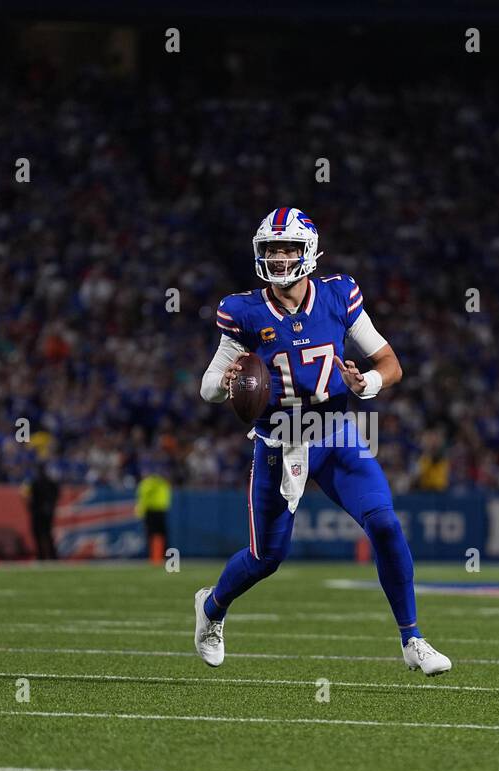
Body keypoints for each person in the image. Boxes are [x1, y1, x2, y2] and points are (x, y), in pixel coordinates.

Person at [193, 207, 451, 676]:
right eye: (272, 249)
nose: (278, 257)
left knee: (385, 524)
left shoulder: (337, 295)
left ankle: (412, 639)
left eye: (287, 248)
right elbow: (208, 387)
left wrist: (367, 383)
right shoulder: (244, 311)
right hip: (279, 443)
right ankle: (211, 608)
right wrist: (226, 381)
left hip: (335, 434)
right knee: (266, 558)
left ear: (307, 251)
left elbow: (390, 362)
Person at [135, 464, 172, 565]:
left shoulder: (148, 483)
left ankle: (157, 557)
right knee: (157, 534)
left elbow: (142, 499)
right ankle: (157, 557)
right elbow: (143, 499)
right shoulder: (159, 483)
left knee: (156, 534)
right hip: (154, 511)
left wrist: (140, 511)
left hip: (155, 511)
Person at [26, 463, 60, 560]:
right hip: (47, 512)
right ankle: (52, 556)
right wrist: (51, 506)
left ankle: (42, 556)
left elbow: (29, 498)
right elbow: (57, 494)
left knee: (38, 535)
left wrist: (31, 508)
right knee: (48, 535)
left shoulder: (34, 483)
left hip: (37, 513)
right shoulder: (51, 482)